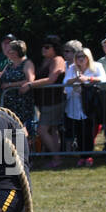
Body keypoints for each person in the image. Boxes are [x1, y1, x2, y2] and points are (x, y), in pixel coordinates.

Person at [62, 44, 105, 166]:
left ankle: (89, 156)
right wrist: (76, 79)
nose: (81, 59)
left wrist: (88, 78)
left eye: (83, 56)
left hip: (90, 103)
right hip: (75, 103)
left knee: (89, 130)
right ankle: (82, 156)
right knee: (79, 131)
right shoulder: (72, 68)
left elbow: (103, 79)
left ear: (88, 57)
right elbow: (65, 82)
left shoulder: (96, 66)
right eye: (78, 56)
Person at [30, 35, 68, 168]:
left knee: (42, 129)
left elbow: (52, 79)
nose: (44, 49)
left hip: (54, 100)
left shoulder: (57, 60)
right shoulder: (45, 61)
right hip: (44, 101)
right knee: (52, 130)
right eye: (43, 46)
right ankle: (55, 157)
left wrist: (30, 85)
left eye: (47, 47)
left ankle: (57, 158)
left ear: (55, 48)